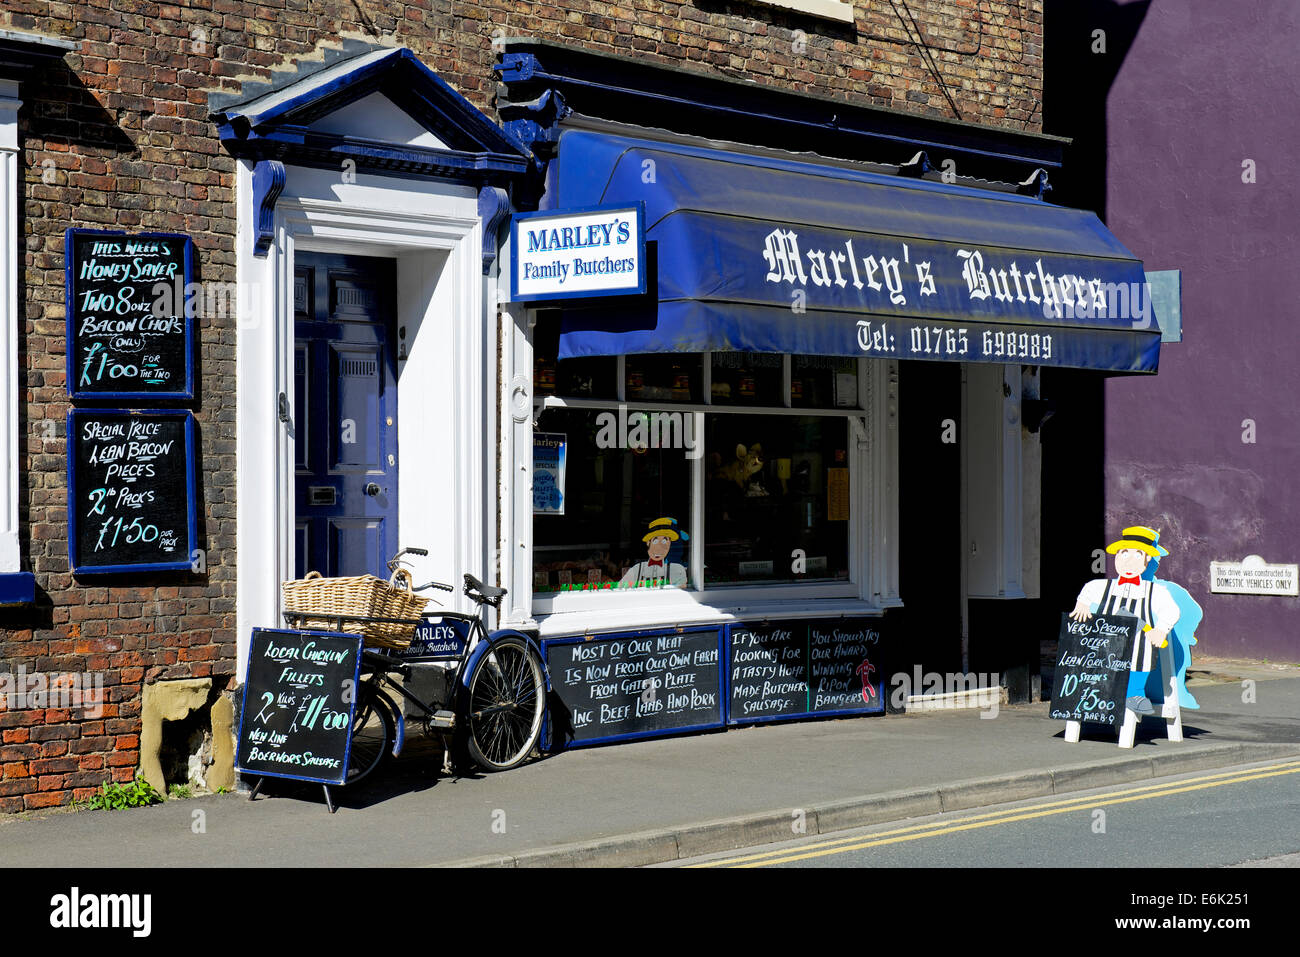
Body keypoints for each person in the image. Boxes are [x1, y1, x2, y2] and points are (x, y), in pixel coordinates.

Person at [1069, 525, 1181, 715]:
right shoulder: (1101, 586)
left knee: (1141, 647)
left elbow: (1171, 610)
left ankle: (1135, 693)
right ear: (1117, 556)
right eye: (1124, 554)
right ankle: (1093, 689)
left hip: (1137, 641)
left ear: (1146, 559)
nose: (1129, 562)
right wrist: (1082, 604)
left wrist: (1161, 629)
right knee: (1093, 651)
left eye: (1137, 555)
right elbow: (1088, 591)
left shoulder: (1154, 591)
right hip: (1105, 641)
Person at [619, 517, 688, 588]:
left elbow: (681, 592)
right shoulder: (637, 569)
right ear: (648, 543)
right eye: (655, 541)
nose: (659, 547)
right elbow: (619, 588)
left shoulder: (676, 569)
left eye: (664, 541)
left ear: (669, 544)